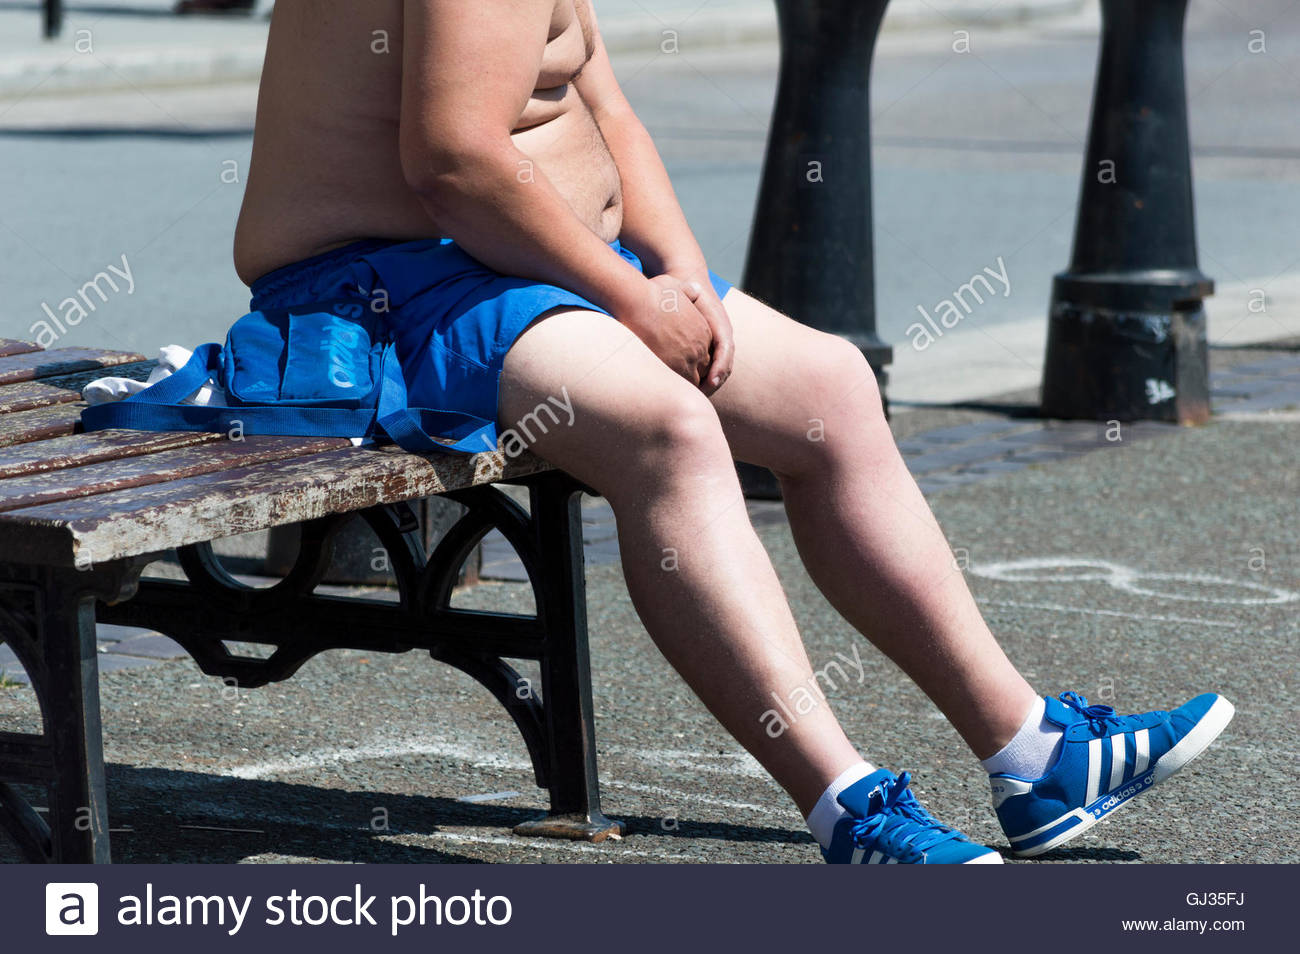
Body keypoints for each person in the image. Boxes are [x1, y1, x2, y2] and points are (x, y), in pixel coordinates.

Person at [231, 0, 1233, 864]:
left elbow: (601, 103)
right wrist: (633, 299)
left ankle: (1032, 755)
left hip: (538, 268)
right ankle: (847, 803)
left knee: (830, 389)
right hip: (387, 290)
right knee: (666, 428)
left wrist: (677, 274)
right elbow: (454, 160)